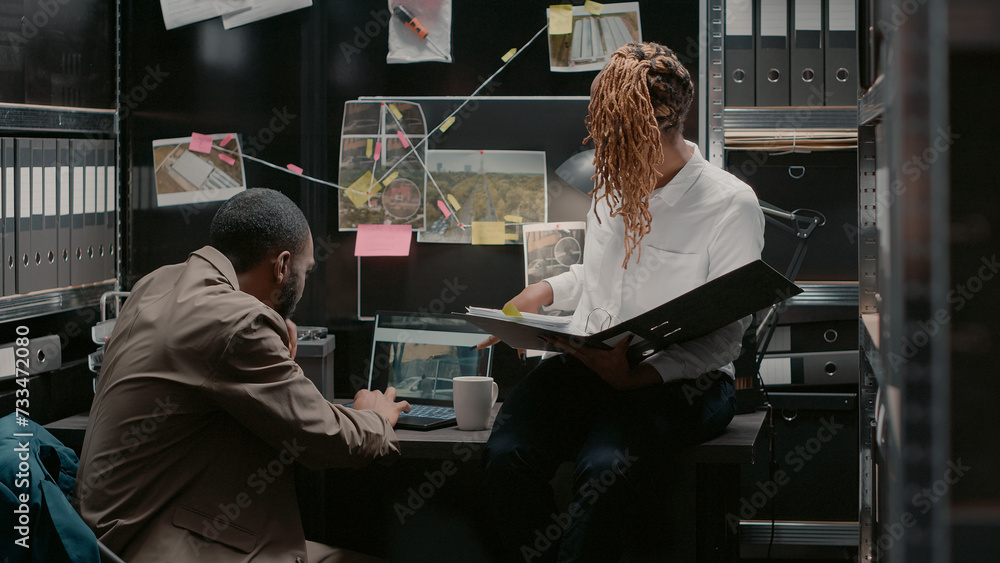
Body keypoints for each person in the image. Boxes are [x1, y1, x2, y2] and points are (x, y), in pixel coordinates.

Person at [479, 42, 765, 561]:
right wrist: (543, 292)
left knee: (605, 466)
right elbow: (600, 273)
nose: (603, 151)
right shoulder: (613, 186)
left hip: (685, 381)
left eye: (615, 137)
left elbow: (725, 335)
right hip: (597, 362)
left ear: (653, 130)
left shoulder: (730, 204)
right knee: (506, 453)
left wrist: (636, 377)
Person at [74, 188, 410, 562]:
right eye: (306, 270)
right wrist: (375, 418)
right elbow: (325, 437)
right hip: (160, 545)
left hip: (111, 540)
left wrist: (273, 333)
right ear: (282, 266)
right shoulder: (237, 323)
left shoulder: (156, 283)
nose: (304, 281)